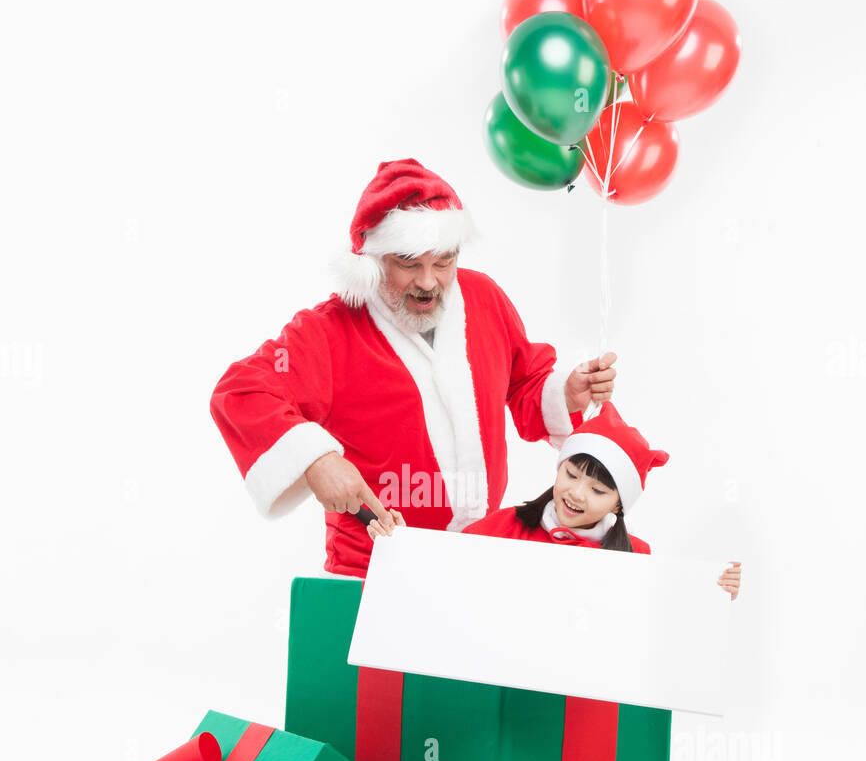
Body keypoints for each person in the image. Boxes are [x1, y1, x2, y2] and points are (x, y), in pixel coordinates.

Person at [209, 157, 618, 578]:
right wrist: (317, 461)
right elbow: (240, 391)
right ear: (374, 258)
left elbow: (524, 381)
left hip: (475, 562)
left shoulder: (484, 298)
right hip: (368, 572)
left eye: (443, 261)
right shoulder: (330, 329)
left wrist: (566, 394)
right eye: (408, 262)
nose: (428, 281)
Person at [367, 402, 742, 599]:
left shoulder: (635, 557)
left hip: (578, 706)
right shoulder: (503, 526)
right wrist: (403, 544)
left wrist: (710, 592)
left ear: (618, 505)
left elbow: (660, 616)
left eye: (598, 490)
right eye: (571, 474)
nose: (577, 493)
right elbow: (442, 569)